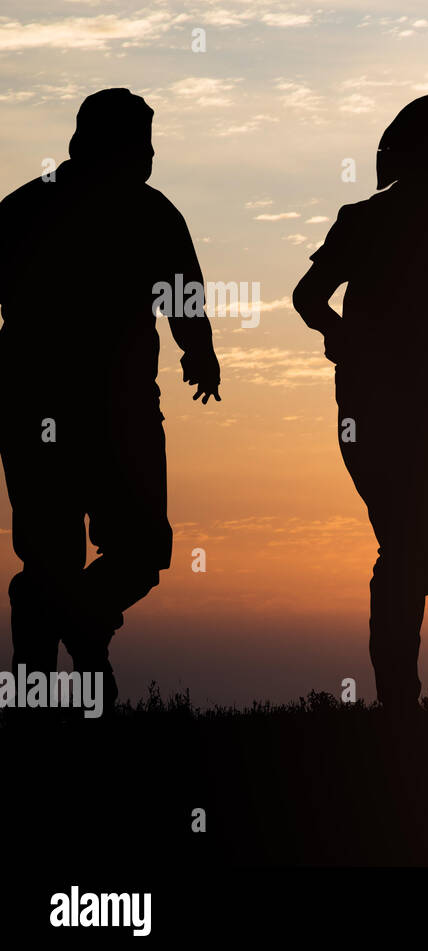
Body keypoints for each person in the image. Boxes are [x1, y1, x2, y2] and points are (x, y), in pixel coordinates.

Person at [293, 92, 428, 712]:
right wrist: (341, 337)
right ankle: (399, 698)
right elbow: (310, 294)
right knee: (405, 545)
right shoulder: (369, 219)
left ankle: (398, 691)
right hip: (386, 404)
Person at [0, 88, 222, 709]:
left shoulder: (31, 208)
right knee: (64, 554)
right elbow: (184, 294)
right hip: (72, 409)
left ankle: (73, 625)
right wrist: (198, 351)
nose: (149, 159)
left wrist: (198, 350)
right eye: (142, 146)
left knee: (129, 550)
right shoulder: (126, 211)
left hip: (82, 408)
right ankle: (47, 686)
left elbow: (183, 294)